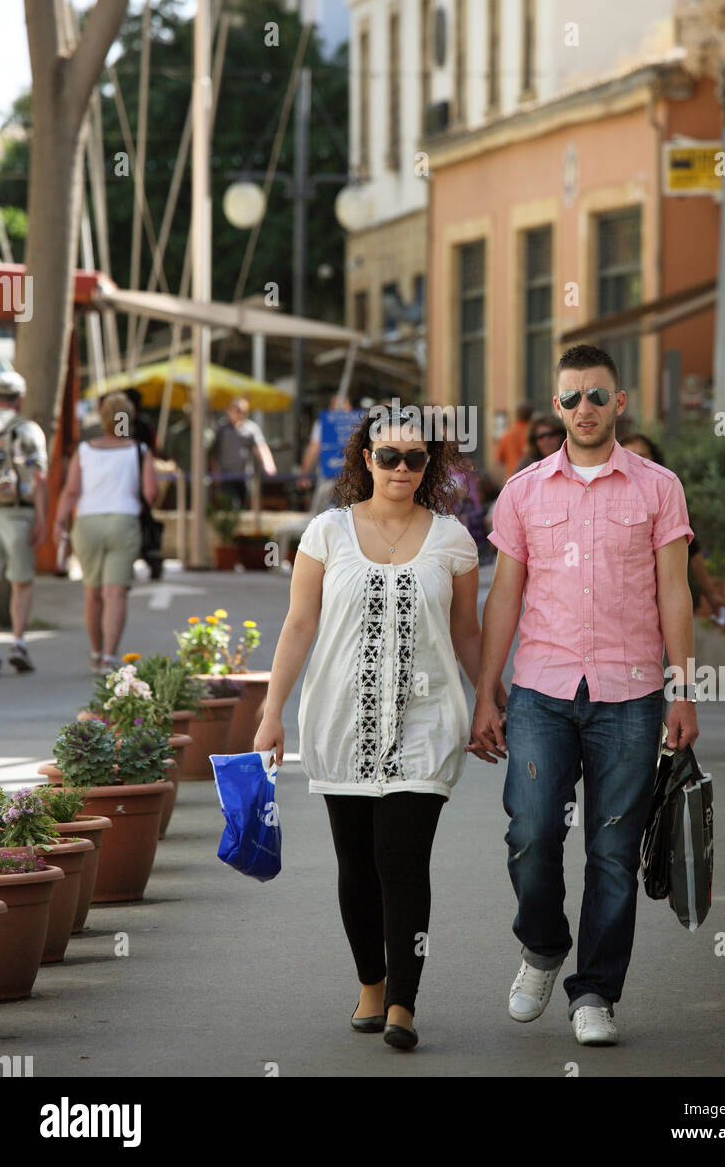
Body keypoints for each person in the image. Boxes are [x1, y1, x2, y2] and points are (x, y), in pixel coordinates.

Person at [254, 403, 503, 1051]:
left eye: (414, 458)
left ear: (430, 464)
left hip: (427, 719)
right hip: (340, 715)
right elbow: (300, 624)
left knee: (401, 858)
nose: (400, 468)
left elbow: (467, 633)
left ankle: (403, 1003)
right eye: (387, 456)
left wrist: (489, 703)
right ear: (366, 459)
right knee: (356, 863)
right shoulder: (327, 532)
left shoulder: (452, 539)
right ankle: (371, 982)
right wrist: (270, 710)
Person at [469, 343, 698, 1047]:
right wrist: (486, 691)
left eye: (597, 396)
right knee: (531, 832)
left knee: (611, 852)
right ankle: (542, 946)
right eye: (571, 399)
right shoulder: (525, 491)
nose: (585, 409)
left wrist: (683, 690)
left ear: (620, 403)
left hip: (630, 696)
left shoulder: (659, 487)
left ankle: (595, 990)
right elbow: (504, 593)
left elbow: (673, 590)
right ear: (557, 407)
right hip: (541, 690)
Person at [53, 391, 158, 672]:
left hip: (88, 525)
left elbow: (71, 491)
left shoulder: (85, 451)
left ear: (102, 418)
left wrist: (59, 521)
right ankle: (110, 657)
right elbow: (151, 494)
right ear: (130, 417)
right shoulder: (139, 451)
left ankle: (96, 651)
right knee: (115, 594)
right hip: (123, 523)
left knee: (93, 592)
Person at [621, 433, 725, 619]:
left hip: (661, 608)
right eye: (628, 456)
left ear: (654, 460)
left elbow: (692, 551)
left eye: (642, 455)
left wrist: (710, 594)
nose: (635, 462)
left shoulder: (665, 496)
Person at [0, 370, 48, 676]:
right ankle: (18, 642)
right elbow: (39, 478)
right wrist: (43, 518)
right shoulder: (28, 430)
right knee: (21, 582)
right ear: (20, 399)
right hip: (18, 513)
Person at [210, 397, 277, 509]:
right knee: (230, 506)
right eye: (237, 410)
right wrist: (215, 471)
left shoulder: (251, 428)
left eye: (244, 411)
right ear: (229, 410)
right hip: (225, 477)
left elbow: (261, 447)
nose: (240, 414)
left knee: (244, 507)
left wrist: (269, 464)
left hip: (244, 476)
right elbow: (213, 452)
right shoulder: (221, 428)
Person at [495, 402, 534, 482]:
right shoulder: (534, 433)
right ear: (531, 415)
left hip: (512, 479)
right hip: (531, 478)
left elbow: (499, 458)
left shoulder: (507, 434)